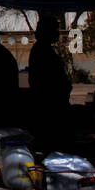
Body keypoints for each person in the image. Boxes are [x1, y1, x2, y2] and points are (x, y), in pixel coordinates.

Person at [27, 13, 71, 146]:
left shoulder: (44, 50)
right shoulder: (42, 52)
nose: (57, 33)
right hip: (50, 110)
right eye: (55, 30)